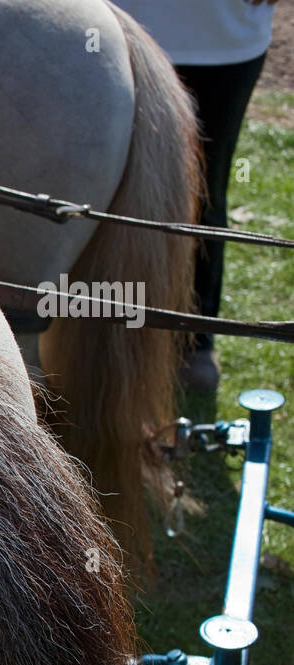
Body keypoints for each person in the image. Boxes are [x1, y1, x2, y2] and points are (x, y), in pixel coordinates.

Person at [115, 0, 278, 392]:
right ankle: (119, 329)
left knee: (203, 189)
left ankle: (196, 339)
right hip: (119, 29)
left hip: (223, 36)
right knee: (114, 191)